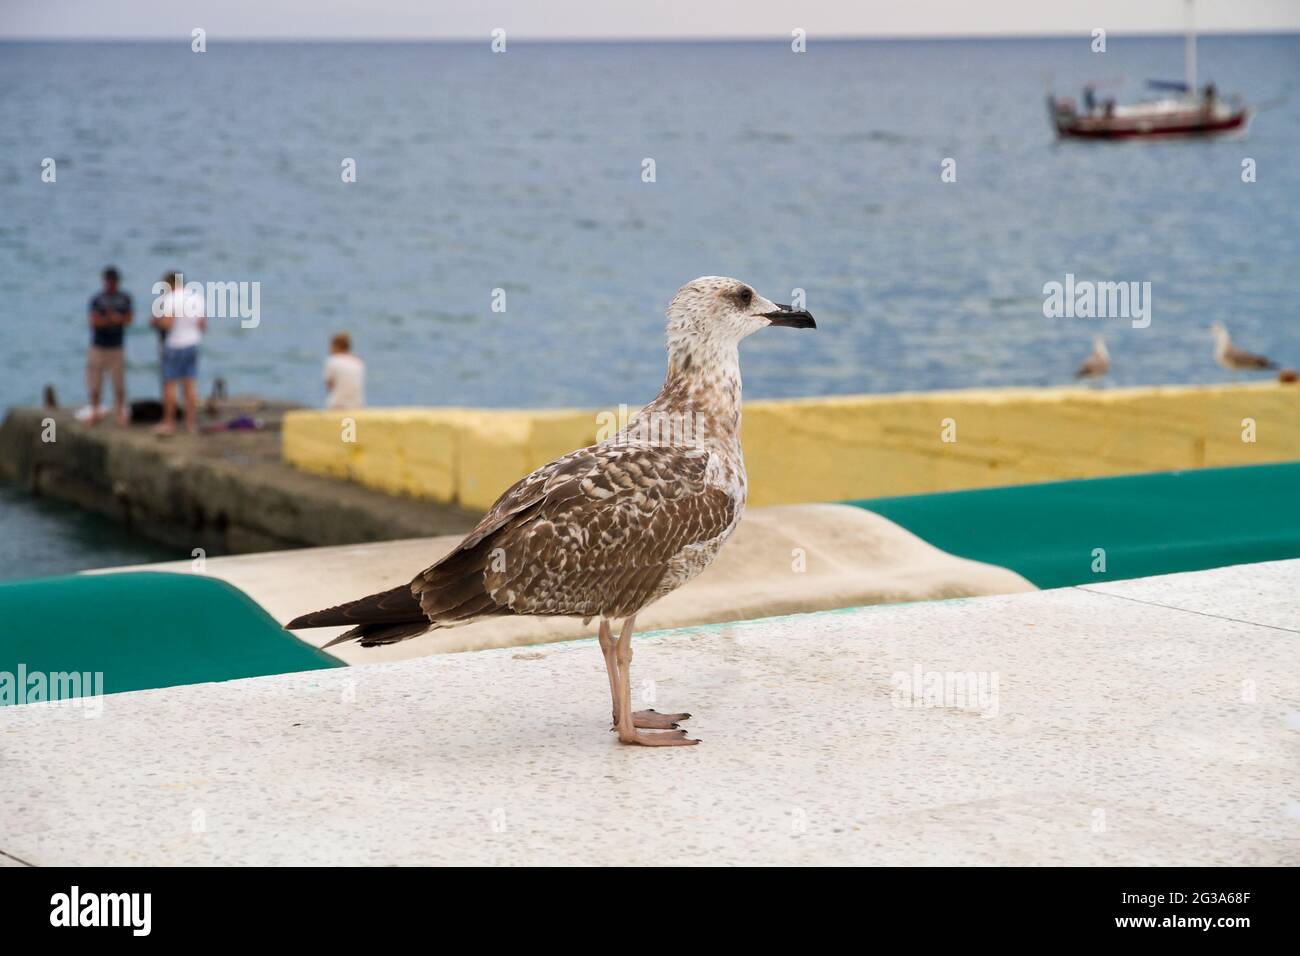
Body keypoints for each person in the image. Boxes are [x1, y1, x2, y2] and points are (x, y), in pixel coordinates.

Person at [151, 271, 206, 435]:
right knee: (190, 385)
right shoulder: (197, 297)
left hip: (174, 344)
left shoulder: (171, 299)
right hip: (192, 343)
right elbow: (202, 324)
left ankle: (169, 422)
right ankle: (190, 423)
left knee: (170, 385)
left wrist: (156, 321)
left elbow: (167, 323)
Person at [86, 266, 133, 425]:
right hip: (98, 346)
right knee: (95, 382)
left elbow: (129, 318)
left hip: (116, 346)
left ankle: (120, 413)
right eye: (109, 281)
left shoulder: (124, 298)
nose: (111, 284)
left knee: (119, 383)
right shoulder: (97, 299)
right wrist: (111, 320)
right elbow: (94, 321)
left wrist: (114, 319)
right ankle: (95, 411)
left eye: (113, 281)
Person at [324, 332, 365, 408]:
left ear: (336, 346)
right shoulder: (358, 362)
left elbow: (330, 386)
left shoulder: (332, 361)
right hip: (357, 404)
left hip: (338, 405)